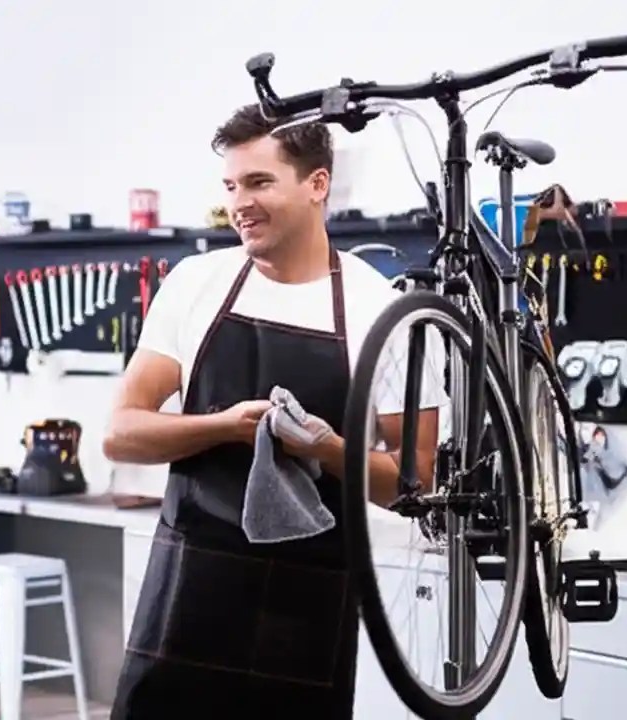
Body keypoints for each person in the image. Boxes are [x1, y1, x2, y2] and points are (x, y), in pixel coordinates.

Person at [105, 104, 449, 719]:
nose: (240, 203)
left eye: (259, 182)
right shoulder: (195, 283)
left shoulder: (384, 310)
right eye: (231, 186)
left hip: (308, 604)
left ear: (318, 184)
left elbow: (413, 483)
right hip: (189, 587)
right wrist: (225, 426)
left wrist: (322, 448)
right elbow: (121, 433)